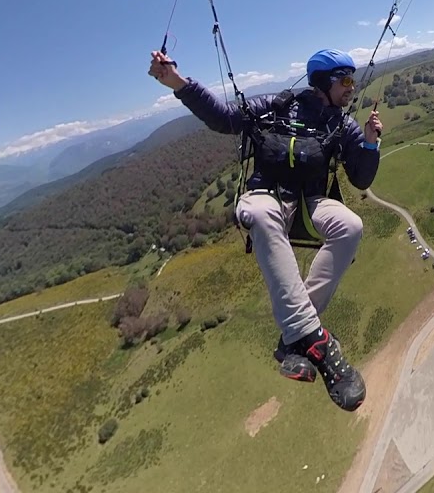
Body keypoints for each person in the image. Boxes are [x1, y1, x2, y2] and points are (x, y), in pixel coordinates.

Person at [147, 47, 383, 412]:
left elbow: (362, 179)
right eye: (346, 80)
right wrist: (178, 83)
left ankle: (296, 338)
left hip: (311, 202)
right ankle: (316, 342)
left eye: (352, 80)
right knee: (259, 212)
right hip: (267, 195)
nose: (352, 88)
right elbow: (224, 118)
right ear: (324, 82)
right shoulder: (276, 106)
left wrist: (369, 142)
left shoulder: (342, 124)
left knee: (351, 226)